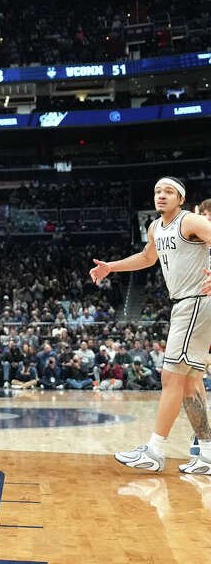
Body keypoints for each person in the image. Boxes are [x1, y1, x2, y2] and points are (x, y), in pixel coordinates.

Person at [92, 177, 211, 474]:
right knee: (189, 382)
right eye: (158, 191)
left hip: (196, 300)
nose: (161, 195)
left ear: (180, 198)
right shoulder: (155, 227)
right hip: (185, 304)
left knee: (171, 378)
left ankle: (155, 451)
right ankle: (208, 454)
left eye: (168, 191)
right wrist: (111, 267)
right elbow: (147, 257)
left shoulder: (191, 221)